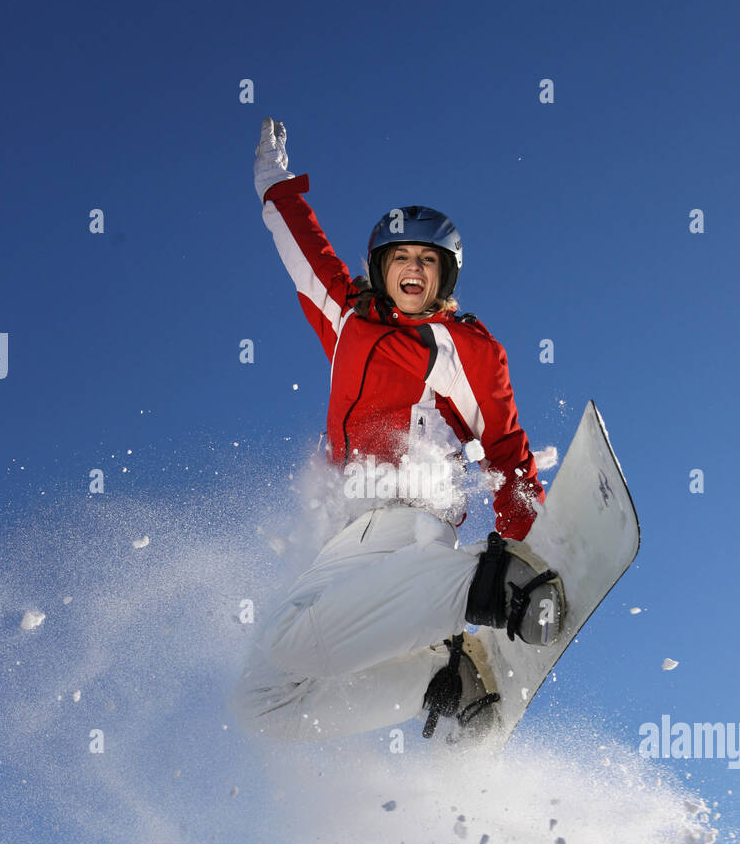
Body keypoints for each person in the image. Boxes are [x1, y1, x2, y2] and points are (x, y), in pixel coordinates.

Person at [233, 118, 562, 745]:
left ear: (447, 276)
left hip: (411, 516)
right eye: (402, 257)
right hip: (349, 533)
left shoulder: (465, 345)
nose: (415, 269)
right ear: (380, 267)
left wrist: (532, 544)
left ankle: (486, 584)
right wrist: (271, 179)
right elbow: (300, 243)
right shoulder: (346, 317)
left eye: (430, 260)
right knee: (261, 703)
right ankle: (444, 680)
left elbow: (506, 448)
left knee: (291, 641)